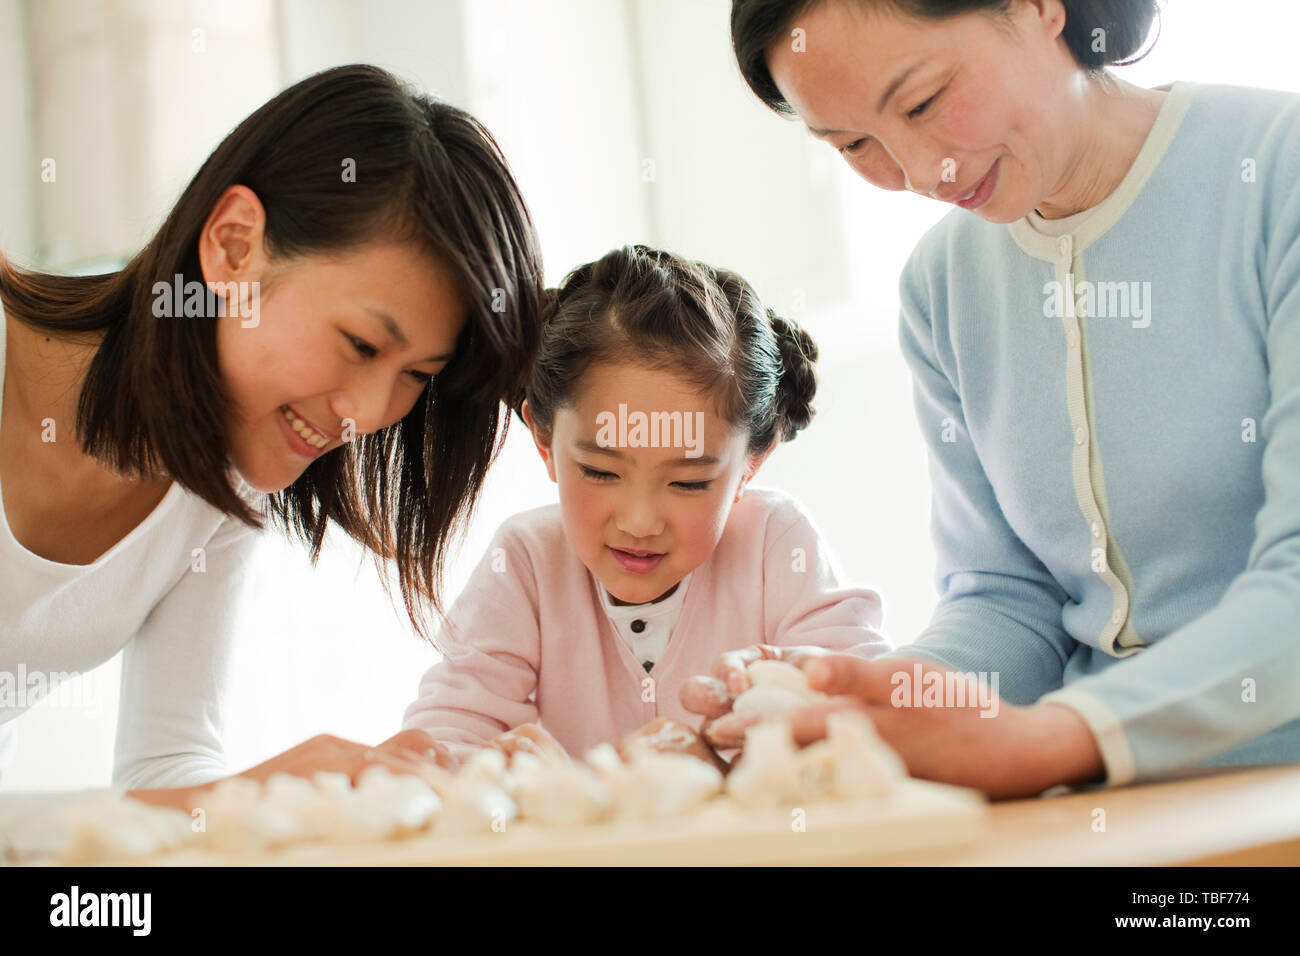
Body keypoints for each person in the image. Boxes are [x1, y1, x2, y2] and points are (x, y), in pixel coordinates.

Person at [687, 0, 1300, 797]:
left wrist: (1054, 737)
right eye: (854, 144)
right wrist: (878, 697)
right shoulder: (943, 286)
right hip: (1106, 808)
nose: (917, 173)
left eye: (922, 101)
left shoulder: (1275, 174)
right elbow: (1009, 600)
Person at [0, 64, 545, 809]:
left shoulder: (222, 493)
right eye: (360, 344)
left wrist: (313, 791)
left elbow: (170, 766)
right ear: (233, 247)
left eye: (418, 375)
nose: (368, 411)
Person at [402, 245, 888, 762]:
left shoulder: (776, 542)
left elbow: (868, 698)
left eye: (689, 483)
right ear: (544, 440)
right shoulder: (525, 561)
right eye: (600, 471)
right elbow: (446, 733)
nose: (639, 523)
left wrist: (798, 703)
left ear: (752, 460)